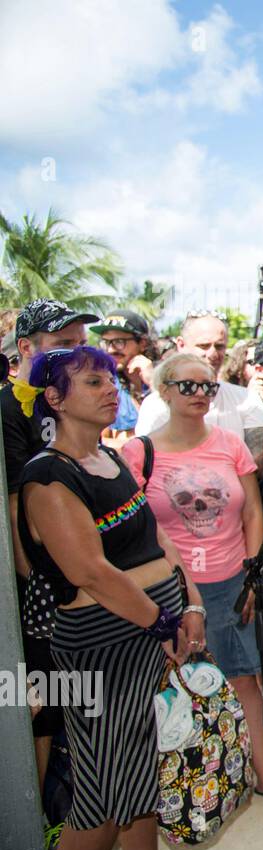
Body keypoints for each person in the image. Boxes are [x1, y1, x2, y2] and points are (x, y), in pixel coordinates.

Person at [17, 346, 204, 850]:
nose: (110, 391)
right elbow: (91, 574)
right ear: (54, 399)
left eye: (110, 380)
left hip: (150, 633)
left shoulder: (112, 457)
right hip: (108, 647)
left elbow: (158, 539)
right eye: (92, 383)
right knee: (102, 799)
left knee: (138, 786)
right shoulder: (48, 478)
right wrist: (161, 623)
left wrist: (191, 604)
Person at [120, 351, 263, 804]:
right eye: (188, 386)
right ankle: (188, 791)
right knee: (180, 689)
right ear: (164, 390)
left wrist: (253, 572)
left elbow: (253, 511)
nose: (200, 394)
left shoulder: (229, 444)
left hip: (234, 581)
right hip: (174, 591)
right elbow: (137, 530)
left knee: (246, 681)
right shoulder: (140, 452)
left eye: (208, 386)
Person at [2, 300, 91, 800]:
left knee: (76, 703)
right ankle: (33, 824)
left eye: (81, 345)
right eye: (62, 345)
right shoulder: (10, 408)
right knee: (40, 707)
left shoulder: (65, 401)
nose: (76, 355)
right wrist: (40, 589)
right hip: (42, 592)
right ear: (25, 349)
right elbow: (18, 510)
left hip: (77, 580)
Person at [134, 311, 263, 457]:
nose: (212, 354)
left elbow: (256, 463)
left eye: (219, 346)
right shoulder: (154, 405)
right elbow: (147, 459)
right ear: (181, 345)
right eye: (204, 346)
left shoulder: (248, 399)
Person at [91, 310, 153, 446]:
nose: (111, 350)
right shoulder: (108, 385)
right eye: (106, 342)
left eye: (119, 342)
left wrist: (153, 380)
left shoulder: (166, 376)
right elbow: (97, 441)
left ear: (142, 343)